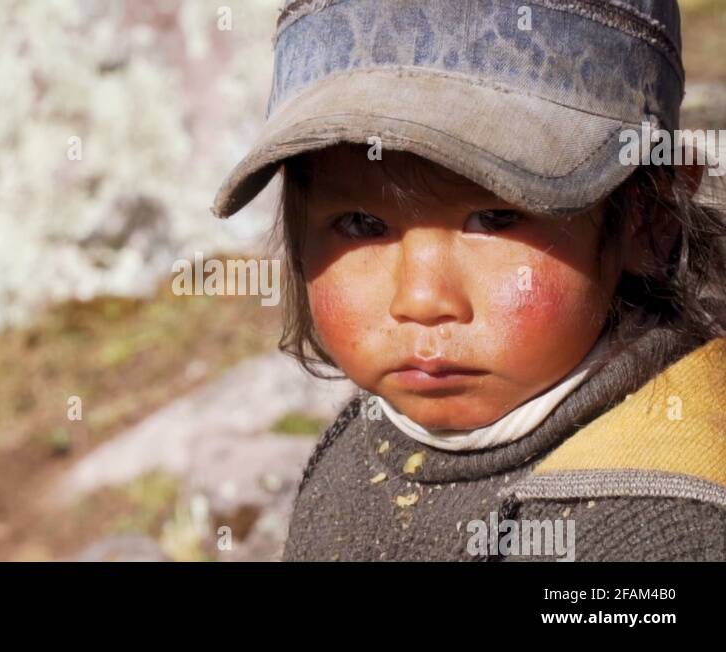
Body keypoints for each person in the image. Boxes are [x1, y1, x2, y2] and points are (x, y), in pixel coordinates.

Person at [211, 0, 726, 561]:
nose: (422, 301)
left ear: (647, 216)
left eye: (496, 217)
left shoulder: (667, 530)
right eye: (362, 224)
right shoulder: (371, 439)